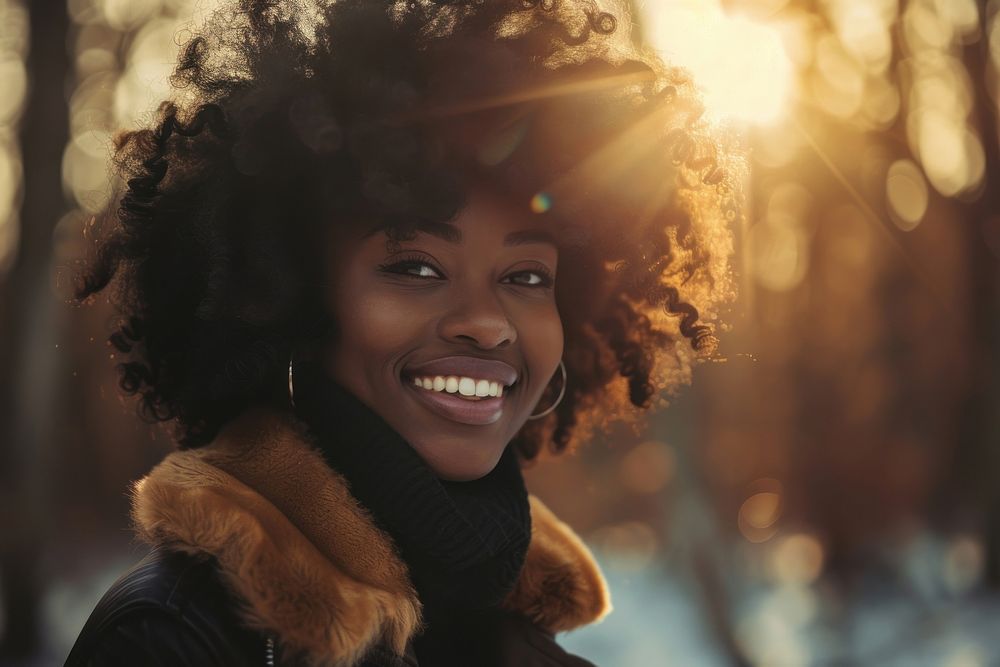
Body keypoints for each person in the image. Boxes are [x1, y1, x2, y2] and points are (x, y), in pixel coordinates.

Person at [65, 0, 738, 664]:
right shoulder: (167, 639)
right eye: (415, 266)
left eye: (528, 276)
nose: (486, 321)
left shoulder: (525, 641)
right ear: (288, 302)